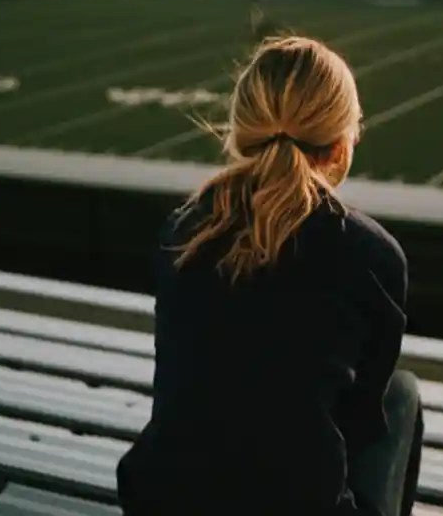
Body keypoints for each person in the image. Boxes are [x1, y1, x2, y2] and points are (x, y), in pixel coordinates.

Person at [117, 35, 422, 516]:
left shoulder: (185, 228)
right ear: (342, 146)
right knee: (400, 396)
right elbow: (358, 423)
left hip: (160, 503)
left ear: (240, 132)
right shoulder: (372, 255)